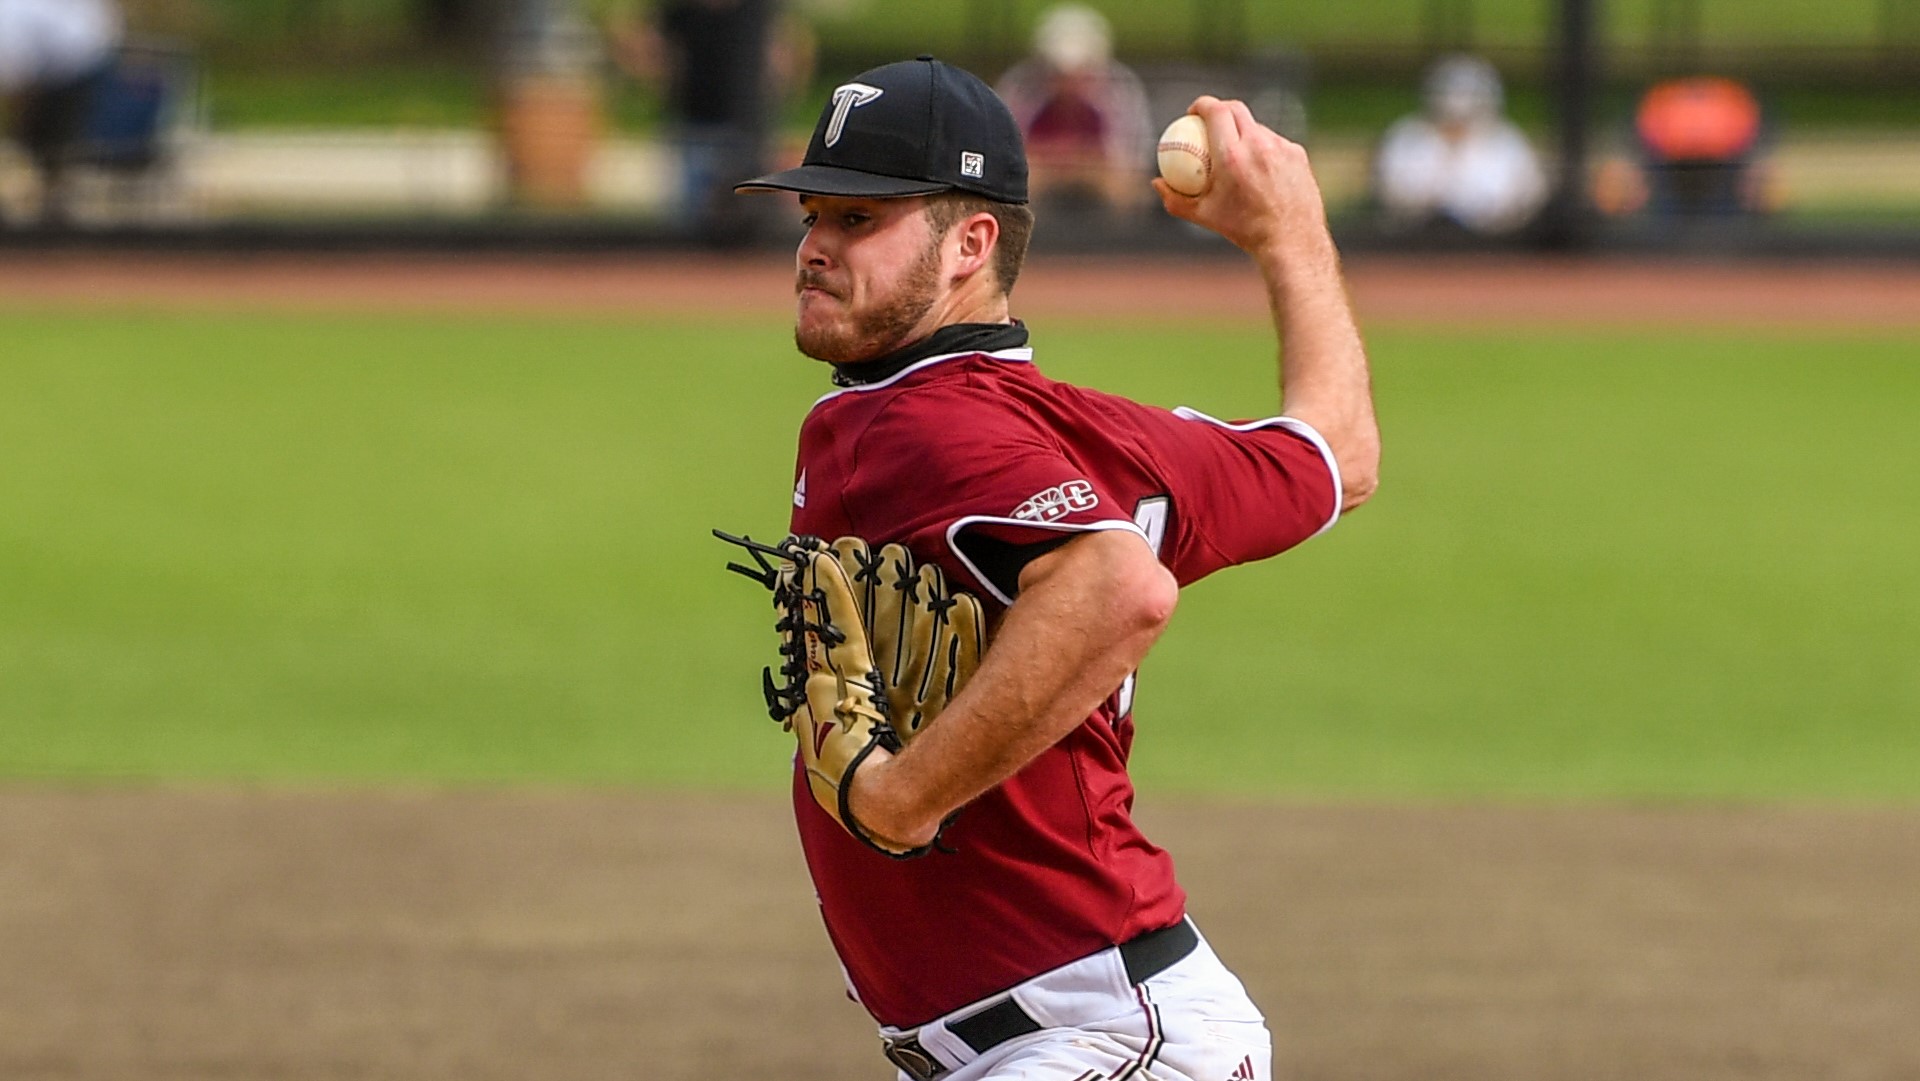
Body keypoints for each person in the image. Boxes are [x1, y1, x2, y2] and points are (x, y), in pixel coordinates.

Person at [729, 56, 1380, 1081]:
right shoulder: (1099, 437)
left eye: (861, 220)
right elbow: (1335, 456)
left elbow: (1120, 589)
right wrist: (1287, 235)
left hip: (1088, 1036)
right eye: (814, 215)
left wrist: (905, 797)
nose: (813, 248)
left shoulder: (921, 425)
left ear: (971, 243)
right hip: (1094, 1027)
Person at [606, 0, 812, 241]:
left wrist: (780, 93)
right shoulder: (682, 12)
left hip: (744, 128)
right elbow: (638, 37)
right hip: (694, 126)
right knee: (689, 223)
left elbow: (790, 46)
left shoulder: (757, 10)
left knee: (746, 221)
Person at [995, 3, 1152, 213]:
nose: (1068, 82)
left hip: (1101, 182)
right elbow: (1004, 163)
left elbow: (1133, 168)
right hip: (1037, 183)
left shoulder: (1121, 91)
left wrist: (1078, 163)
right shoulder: (1020, 89)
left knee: (1127, 189)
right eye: (1059, 73)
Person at [1373, 53, 1545, 236]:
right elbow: (1396, 197)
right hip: (1417, 246)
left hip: (1493, 249)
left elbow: (1524, 200)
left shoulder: (1508, 144)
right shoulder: (1407, 139)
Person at [0, 0, 123, 226]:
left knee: (54, 145)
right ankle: (50, 204)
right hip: (76, 55)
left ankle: (54, 208)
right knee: (41, 145)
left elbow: (19, 79)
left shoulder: (8, 18)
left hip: (80, 62)